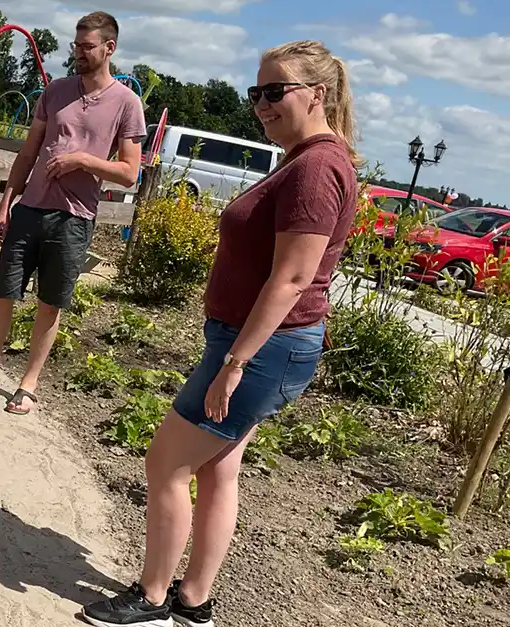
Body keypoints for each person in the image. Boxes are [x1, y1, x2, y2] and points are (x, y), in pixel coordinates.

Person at [80, 40, 360, 627]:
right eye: (255, 92)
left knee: (167, 464)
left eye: (275, 91)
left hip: (263, 349)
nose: (261, 103)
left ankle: (153, 598)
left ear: (319, 94)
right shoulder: (306, 160)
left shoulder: (316, 167)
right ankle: (194, 600)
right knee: (219, 465)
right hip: (259, 344)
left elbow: (292, 278)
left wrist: (235, 363)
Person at [0, 11, 145, 415]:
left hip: (74, 217)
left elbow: (128, 172)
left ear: (110, 48)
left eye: (87, 47)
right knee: (3, 293)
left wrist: (81, 161)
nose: (79, 53)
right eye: (76, 45)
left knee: (50, 303)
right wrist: (5, 205)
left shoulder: (127, 103)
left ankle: (28, 383)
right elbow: (28, 153)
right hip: (30, 207)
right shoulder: (55, 92)